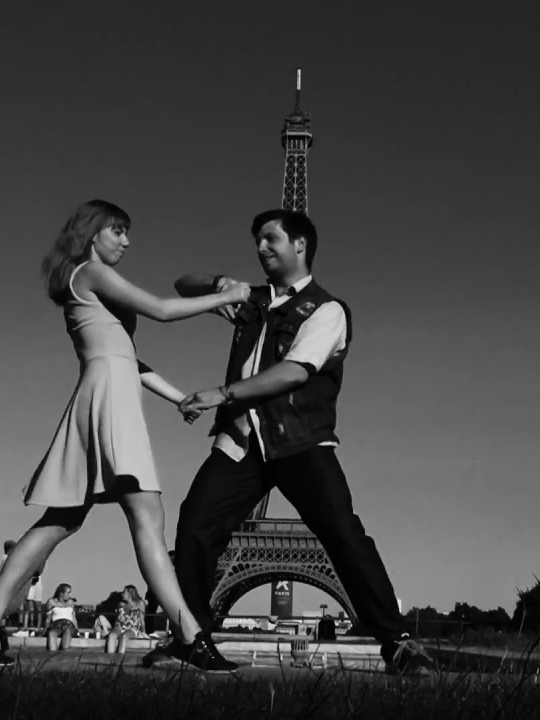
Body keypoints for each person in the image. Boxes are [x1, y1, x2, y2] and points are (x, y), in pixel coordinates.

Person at [0, 199, 249, 670]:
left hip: (107, 391)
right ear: (92, 233)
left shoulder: (86, 280)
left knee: (64, 517)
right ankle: (190, 636)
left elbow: (129, 358)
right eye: (118, 231)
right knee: (146, 514)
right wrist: (227, 297)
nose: (126, 242)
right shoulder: (90, 272)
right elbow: (161, 309)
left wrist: (179, 398)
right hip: (110, 397)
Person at [144, 209, 436, 676]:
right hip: (242, 441)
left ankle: (398, 643)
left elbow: (295, 372)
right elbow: (183, 283)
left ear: (300, 245)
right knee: (195, 526)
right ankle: (190, 638)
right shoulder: (253, 300)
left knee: (343, 535)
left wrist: (223, 393)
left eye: (270, 239)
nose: (260, 248)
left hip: (300, 441)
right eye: (257, 240)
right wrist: (224, 287)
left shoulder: (327, 310)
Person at [104, 584, 149, 655]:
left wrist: (144, 633)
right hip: (119, 626)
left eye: (124, 592)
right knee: (111, 635)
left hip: (132, 628)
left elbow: (142, 620)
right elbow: (118, 617)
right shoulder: (121, 604)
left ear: (129, 594)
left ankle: (119, 657)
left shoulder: (140, 604)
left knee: (124, 636)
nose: (122, 594)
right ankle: (110, 658)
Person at [45, 583, 78, 651]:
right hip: (55, 624)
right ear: (61, 593)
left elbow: (73, 618)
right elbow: (48, 618)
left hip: (68, 624)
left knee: (67, 633)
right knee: (51, 633)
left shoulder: (71, 603)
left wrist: (77, 630)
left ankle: (66, 651)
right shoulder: (51, 602)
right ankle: (52, 654)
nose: (70, 595)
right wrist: (44, 630)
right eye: (68, 593)